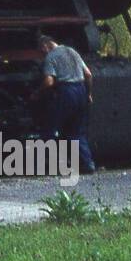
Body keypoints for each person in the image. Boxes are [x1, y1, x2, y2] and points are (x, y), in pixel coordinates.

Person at [31, 34, 96, 174]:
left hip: (66, 92)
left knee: (49, 129)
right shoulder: (72, 51)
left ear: (45, 46)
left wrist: (37, 93)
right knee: (76, 132)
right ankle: (88, 164)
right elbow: (88, 74)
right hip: (81, 90)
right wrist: (89, 94)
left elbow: (49, 82)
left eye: (41, 51)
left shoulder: (51, 57)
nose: (42, 54)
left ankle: (38, 167)